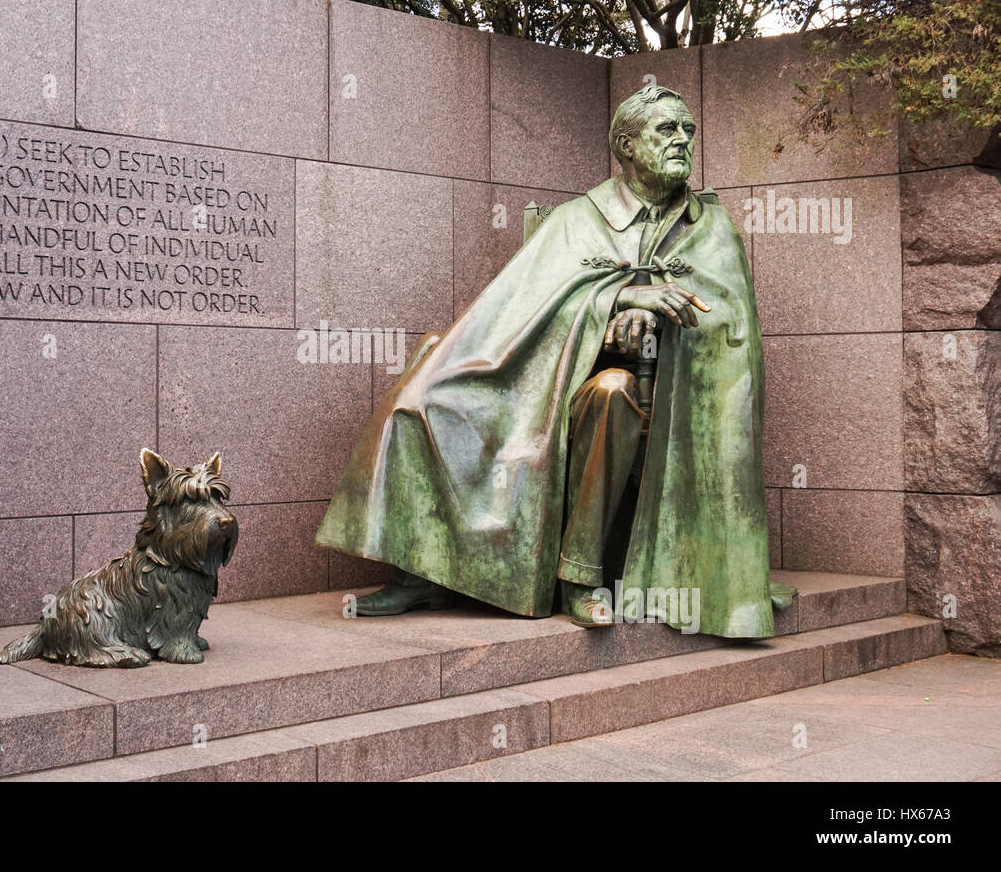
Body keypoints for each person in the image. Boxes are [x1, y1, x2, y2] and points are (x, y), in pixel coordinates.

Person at [315, 85, 793, 638]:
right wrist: (615, 302)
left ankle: (581, 576)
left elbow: (728, 329)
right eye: (667, 130)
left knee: (613, 393)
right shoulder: (574, 220)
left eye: (688, 129)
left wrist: (652, 327)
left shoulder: (709, 226)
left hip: (652, 389)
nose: (683, 140)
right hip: (539, 377)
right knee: (424, 392)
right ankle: (423, 565)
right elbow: (516, 309)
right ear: (627, 145)